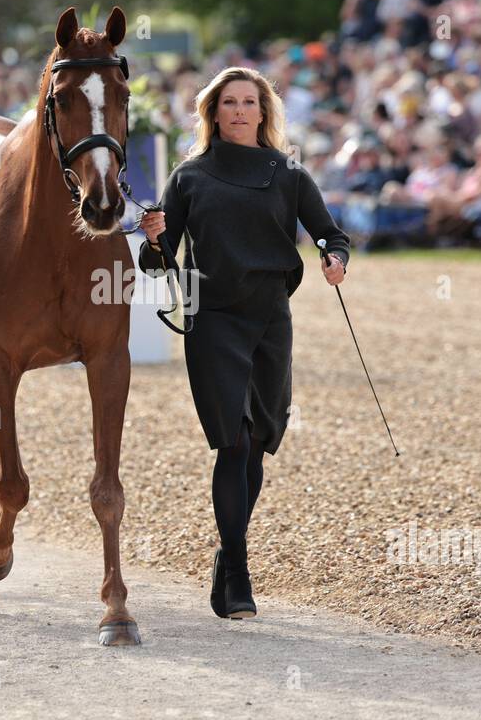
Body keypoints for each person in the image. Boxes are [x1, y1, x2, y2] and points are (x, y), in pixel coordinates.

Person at [138, 67, 350, 621]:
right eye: (227, 102)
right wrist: (156, 240)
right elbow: (157, 263)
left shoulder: (289, 173)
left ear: (263, 111)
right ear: (213, 112)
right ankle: (237, 571)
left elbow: (331, 232)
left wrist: (334, 258)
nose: (237, 110)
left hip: (270, 320)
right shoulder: (188, 178)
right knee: (231, 441)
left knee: (257, 440)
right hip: (212, 319)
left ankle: (224, 555)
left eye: (248, 102)